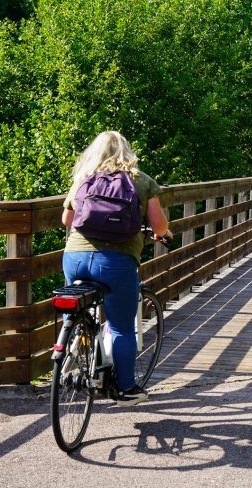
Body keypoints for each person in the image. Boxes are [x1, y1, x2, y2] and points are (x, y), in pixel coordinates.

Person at [61, 131, 173, 406]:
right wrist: (164, 234)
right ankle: (125, 389)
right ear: (127, 151)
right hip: (115, 262)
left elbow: (66, 219)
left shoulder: (83, 178)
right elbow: (159, 226)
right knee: (122, 327)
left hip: (75, 258)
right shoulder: (141, 180)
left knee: (74, 306)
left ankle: (73, 340)